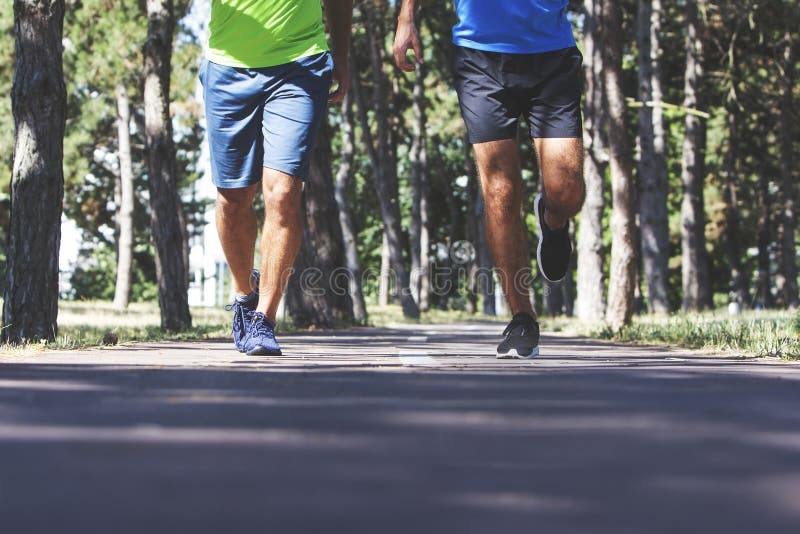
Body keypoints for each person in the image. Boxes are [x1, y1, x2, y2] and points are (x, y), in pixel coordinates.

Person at [393, 0, 585, 358]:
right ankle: (521, 315)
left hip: (552, 54)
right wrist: (406, 18)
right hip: (479, 57)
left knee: (568, 191)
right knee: (500, 189)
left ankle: (554, 218)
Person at [202, 0, 353, 355]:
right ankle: (244, 293)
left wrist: (341, 55)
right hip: (228, 67)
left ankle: (263, 319)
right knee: (232, 200)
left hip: (300, 63)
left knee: (283, 193)